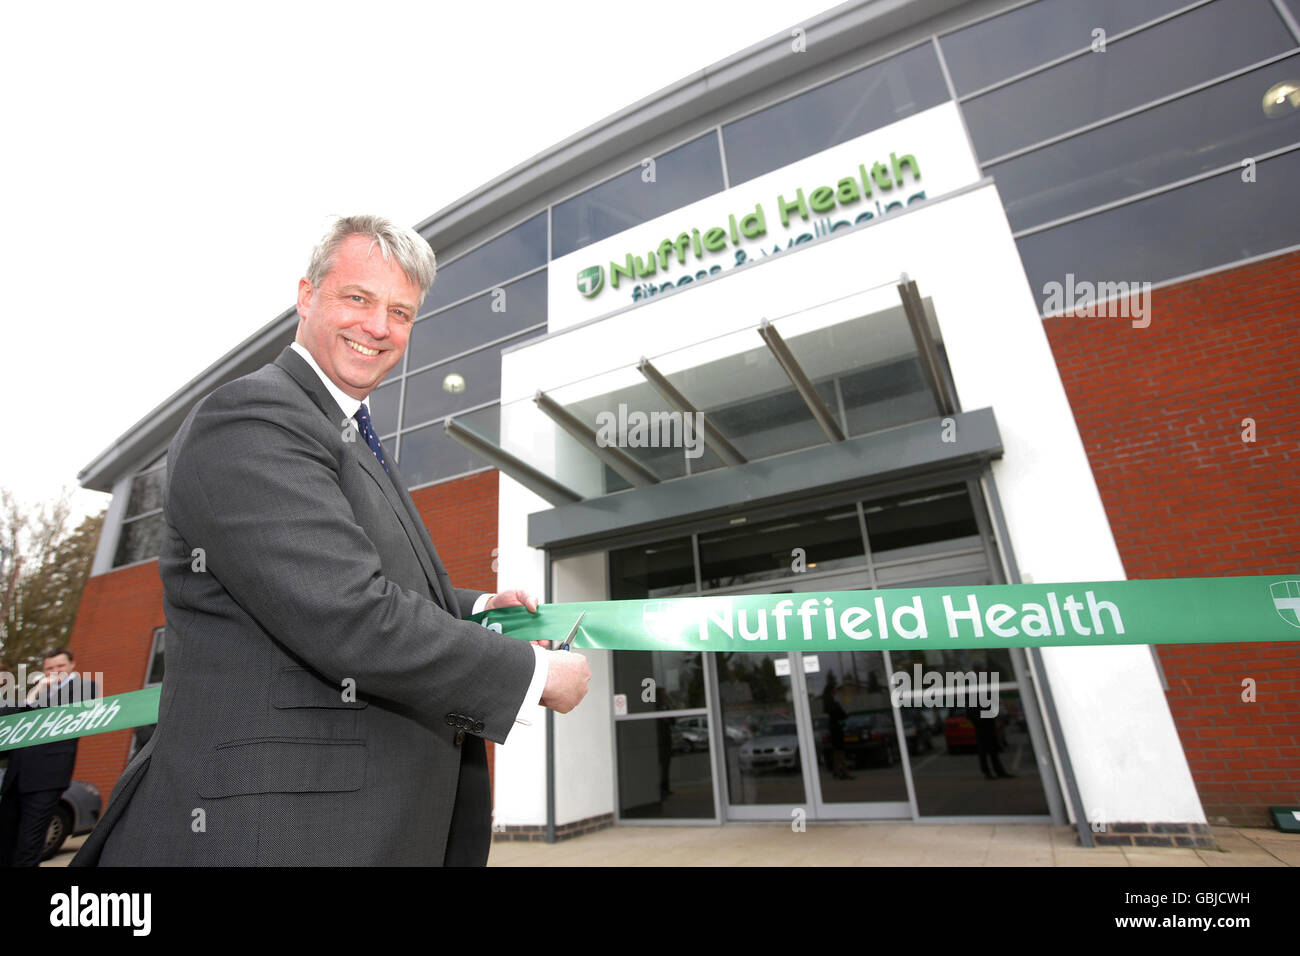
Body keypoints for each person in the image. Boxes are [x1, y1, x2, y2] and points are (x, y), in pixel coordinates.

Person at [71, 215, 590, 866]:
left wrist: (480, 610)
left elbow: (348, 579)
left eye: (400, 312)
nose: (379, 327)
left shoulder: (345, 434)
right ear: (306, 295)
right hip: (277, 834)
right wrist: (537, 674)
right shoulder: (255, 416)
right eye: (358, 298)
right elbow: (347, 614)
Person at [0, 648, 98, 866]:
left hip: (46, 778)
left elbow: (69, 718)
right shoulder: (40, 691)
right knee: (5, 841)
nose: (54, 672)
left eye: (60, 666)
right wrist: (35, 693)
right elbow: (12, 723)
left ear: (72, 665)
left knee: (29, 844)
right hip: (16, 777)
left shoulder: (85, 688)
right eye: (49, 668)